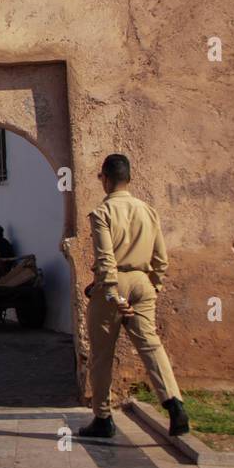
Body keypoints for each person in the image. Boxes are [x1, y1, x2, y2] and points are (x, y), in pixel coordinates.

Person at [80, 154, 187, 439]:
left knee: (102, 355)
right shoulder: (148, 211)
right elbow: (161, 259)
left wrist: (115, 297)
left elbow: (106, 261)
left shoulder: (102, 213)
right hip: (143, 283)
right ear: (129, 179)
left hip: (113, 288)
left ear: (105, 178)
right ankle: (174, 405)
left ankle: (103, 417)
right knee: (151, 345)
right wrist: (154, 287)